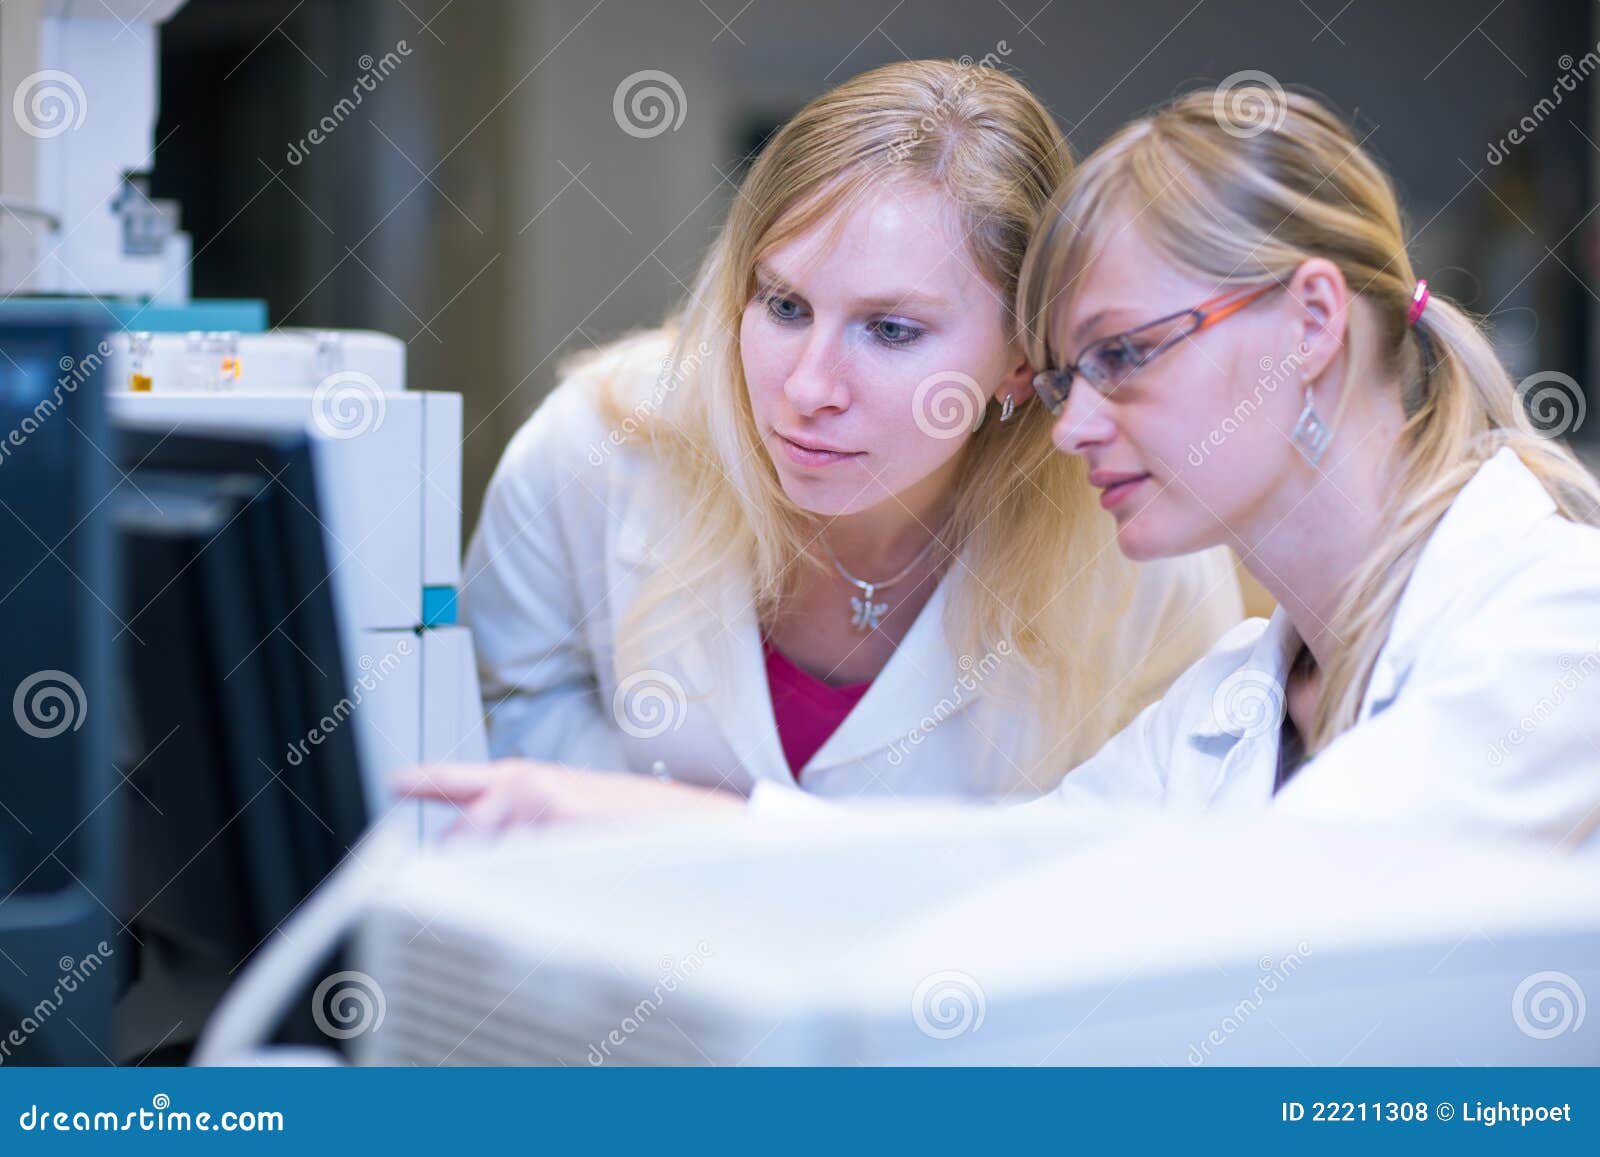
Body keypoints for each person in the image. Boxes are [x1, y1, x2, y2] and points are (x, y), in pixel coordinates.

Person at [451, 59, 1241, 810]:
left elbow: (1161, 846)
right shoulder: (594, 447)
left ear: (1020, 359)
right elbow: (489, 713)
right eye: (785, 306)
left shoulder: (1139, 550)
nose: (808, 387)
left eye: (891, 330)